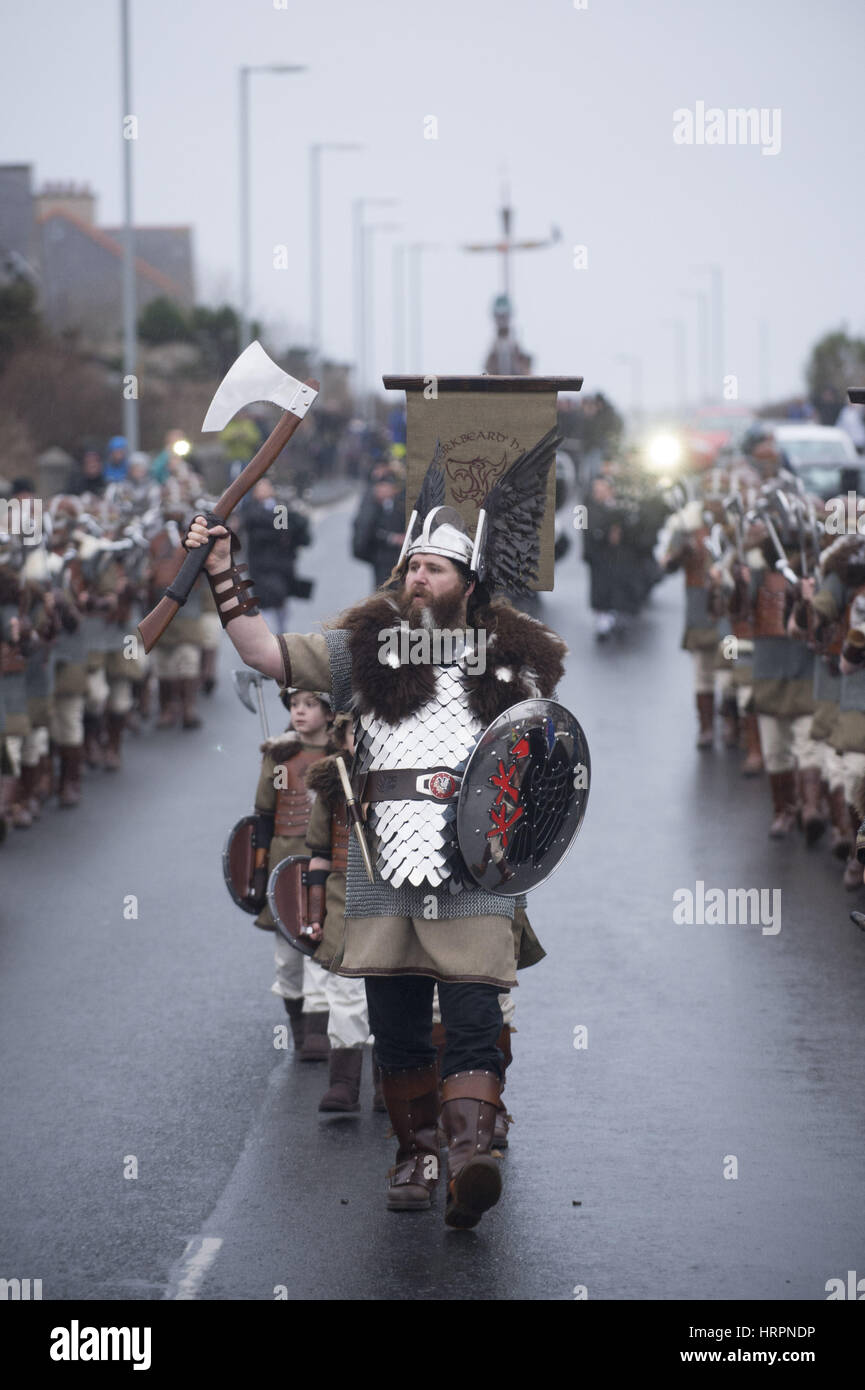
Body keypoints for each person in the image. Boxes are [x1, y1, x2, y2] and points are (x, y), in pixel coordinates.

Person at [182, 452, 567, 1230]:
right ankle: (416, 1153)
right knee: (395, 1027)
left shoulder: (507, 663)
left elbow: (542, 768)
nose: (418, 577)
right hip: (382, 866)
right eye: (412, 566)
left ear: (467, 580)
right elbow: (264, 653)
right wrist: (224, 569)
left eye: (434, 567)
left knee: (470, 1020)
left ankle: (469, 1158)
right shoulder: (362, 654)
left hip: (476, 869)